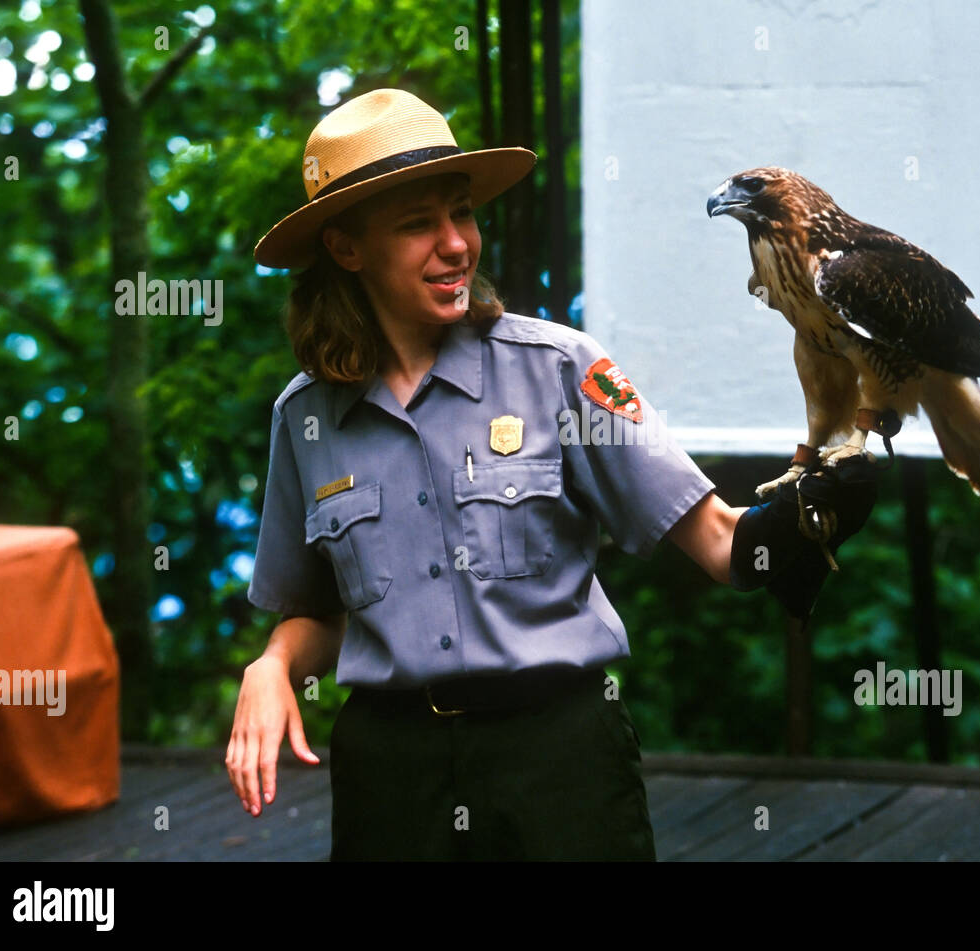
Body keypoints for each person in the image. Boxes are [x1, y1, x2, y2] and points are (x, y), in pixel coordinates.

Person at [227, 88, 877, 861]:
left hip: (559, 762)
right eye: (416, 225)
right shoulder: (306, 417)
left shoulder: (560, 369)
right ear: (346, 248)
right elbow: (320, 616)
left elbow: (722, 542)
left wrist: (798, 525)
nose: (456, 244)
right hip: (390, 776)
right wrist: (271, 665)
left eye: (461, 213)